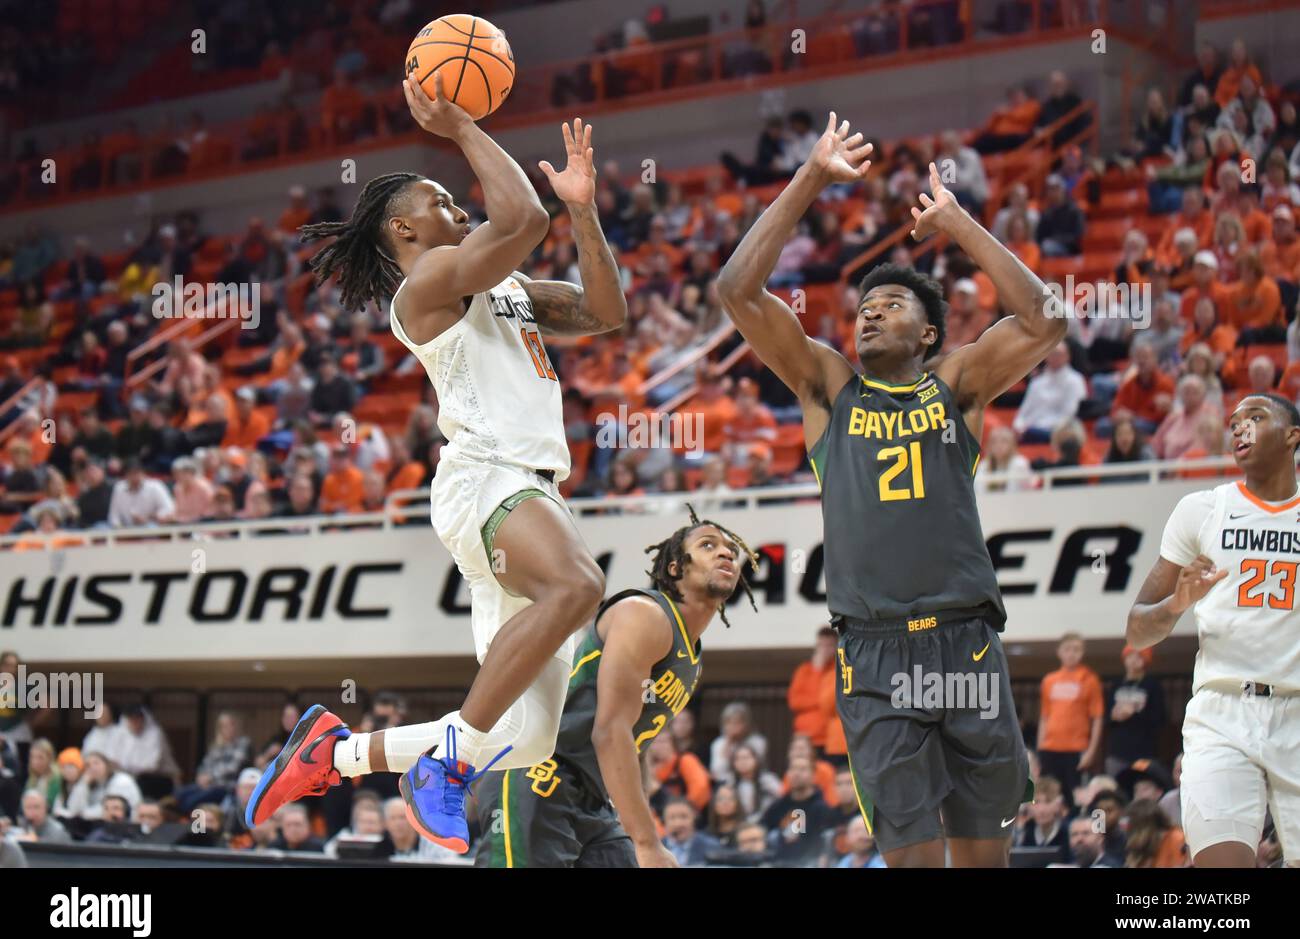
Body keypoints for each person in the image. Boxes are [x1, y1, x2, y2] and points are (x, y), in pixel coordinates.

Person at [246, 79, 627, 854]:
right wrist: (458, 123)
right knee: (580, 583)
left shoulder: (508, 288)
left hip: (530, 489)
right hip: (490, 474)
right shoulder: (427, 285)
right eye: (442, 202)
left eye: (459, 202)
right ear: (402, 228)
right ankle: (443, 769)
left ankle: (334, 752)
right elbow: (520, 217)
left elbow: (605, 310)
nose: (459, 208)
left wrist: (583, 209)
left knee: (527, 739)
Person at [717, 118, 1057, 867]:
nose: (870, 311)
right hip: (874, 657)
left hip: (965, 642)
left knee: (982, 858)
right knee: (909, 857)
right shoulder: (827, 388)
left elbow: (1046, 317)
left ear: (931, 334)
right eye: (865, 306)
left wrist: (956, 221)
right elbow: (736, 291)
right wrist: (809, 176)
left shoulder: (957, 386)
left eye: (893, 304)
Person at [475, 511, 753, 867]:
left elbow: (634, 743)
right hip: (538, 773)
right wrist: (647, 840)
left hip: (591, 799)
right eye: (708, 545)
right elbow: (610, 731)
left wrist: (639, 818)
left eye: (730, 549)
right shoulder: (645, 614)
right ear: (674, 568)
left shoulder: (692, 658)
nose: (726, 553)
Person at [1127, 391, 1300, 867]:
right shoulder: (1202, 509)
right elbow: (1138, 630)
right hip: (1222, 712)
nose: (1239, 427)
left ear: (1292, 437)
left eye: (1256, 417)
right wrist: (1178, 603)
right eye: (1235, 421)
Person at [1037, 634, 1104, 807]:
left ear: (1082, 652)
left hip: (1076, 748)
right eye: (1067, 649)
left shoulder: (1089, 679)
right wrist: (1040, 747)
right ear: (1059, 652)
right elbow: (1044, 717)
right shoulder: (1049, 680)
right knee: (1049, 796)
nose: (1071, 654)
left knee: (1076, 797)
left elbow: (1097, 718)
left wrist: (1091, 751)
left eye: (1076, 649)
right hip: (1050, 748)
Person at [1105, 646, 1166, 777]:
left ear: (1145, 660)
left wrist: (1134, 713)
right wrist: (1114, 716)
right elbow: (1106, 716)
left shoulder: (1152, 685)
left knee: (1141, 783)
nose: (1133, 660)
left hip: (1143, 752)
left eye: (1139, 656)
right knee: (1117, 788)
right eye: (1130, 656)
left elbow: (1160, 718)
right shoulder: (1116, 685)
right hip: (1117, 752)